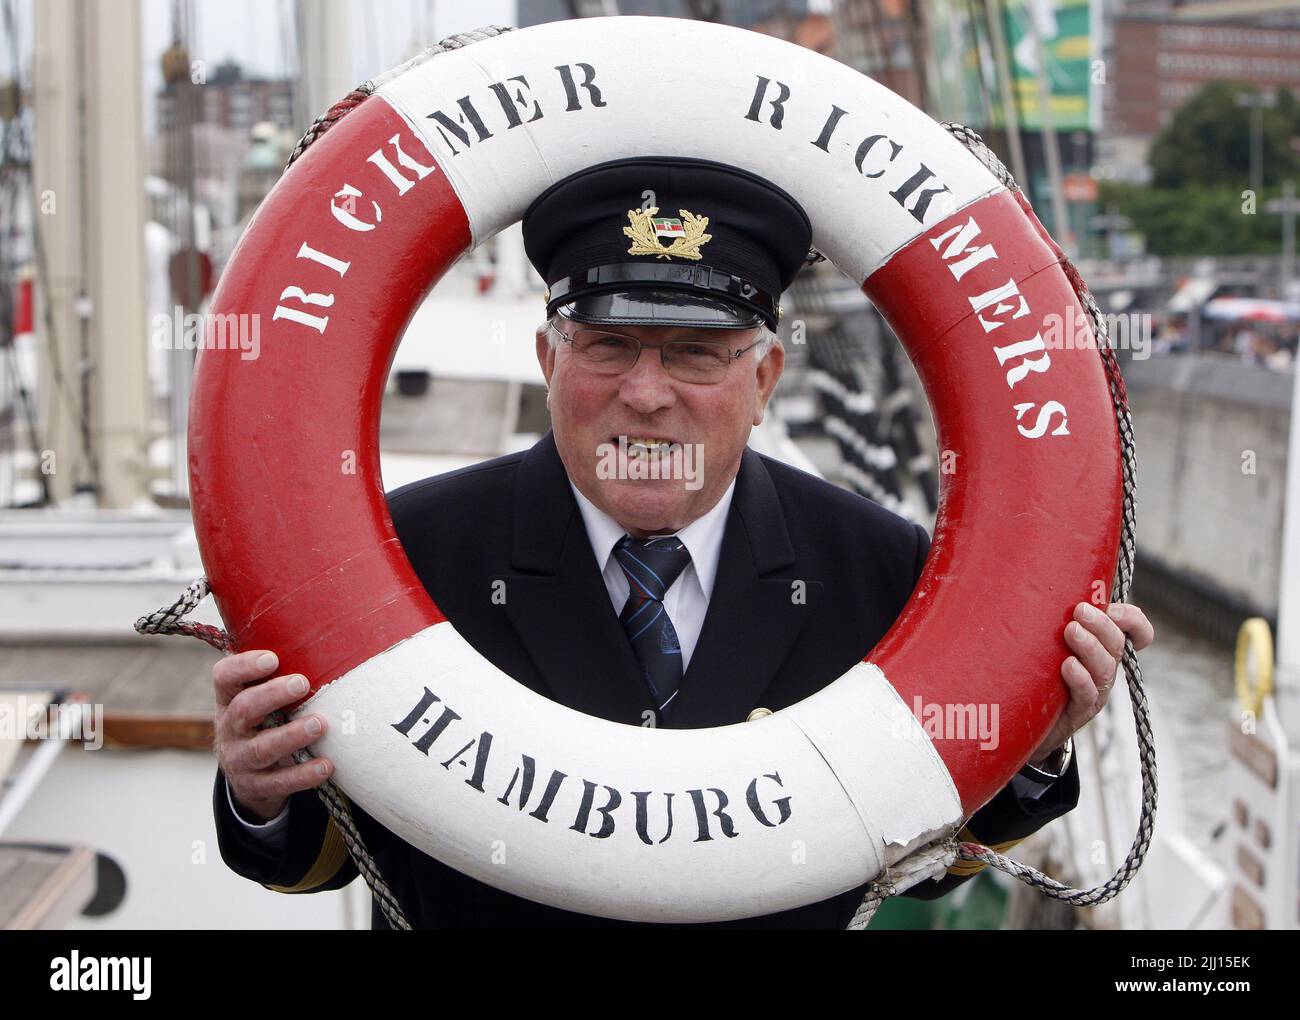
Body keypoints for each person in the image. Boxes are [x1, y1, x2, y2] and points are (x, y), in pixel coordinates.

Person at [211, 157, 1155, 928]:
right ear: (550, 359)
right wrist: (263, 790)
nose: (648, 393)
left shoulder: (880, 570)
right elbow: (315, 860)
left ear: (766, 377)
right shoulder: (401, 557)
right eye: (609, 347)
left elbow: (927, 867)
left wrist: (1031, 741)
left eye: (698, 353)